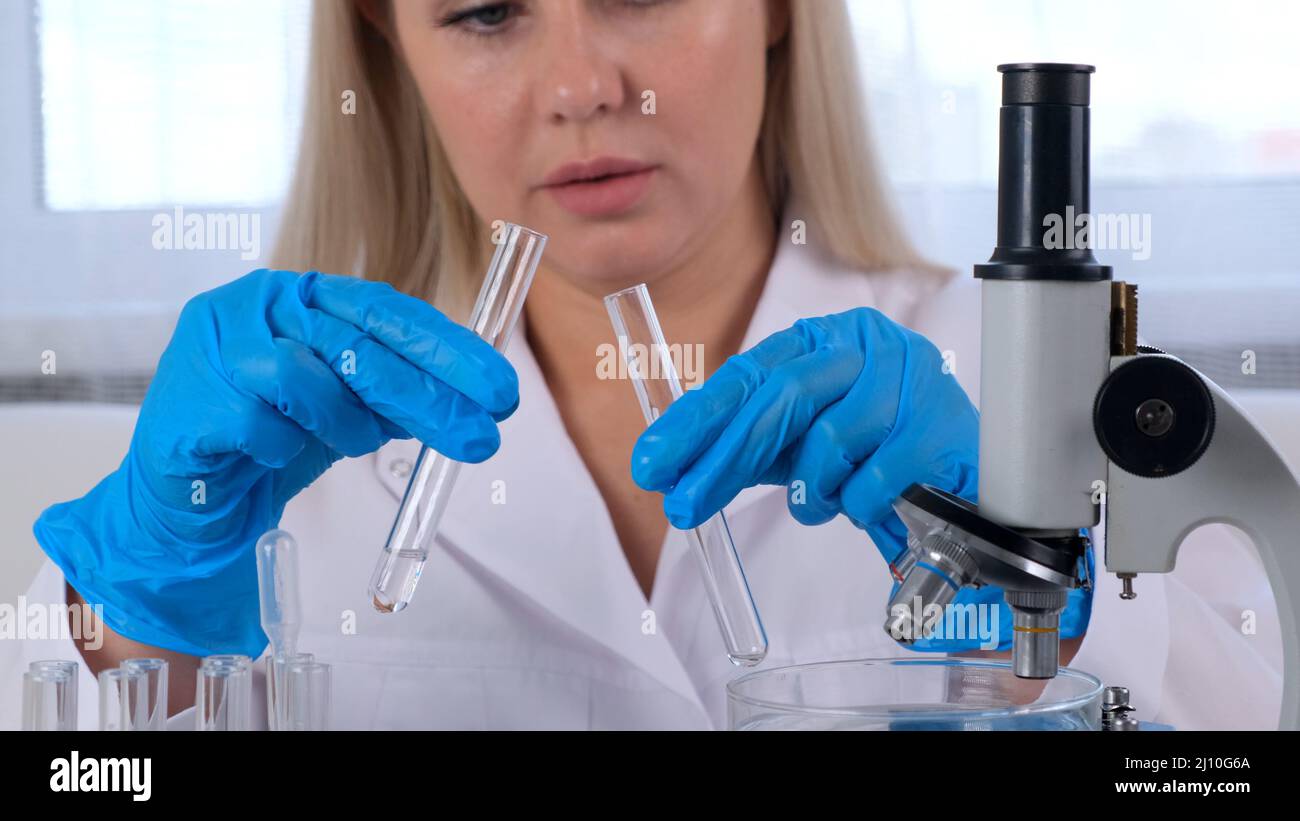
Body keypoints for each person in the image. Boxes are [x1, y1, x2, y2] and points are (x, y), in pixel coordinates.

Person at [23, 0, 1281, 729]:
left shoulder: (1040, 395)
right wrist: (139, 630)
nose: (580, 83)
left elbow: (1225, 745)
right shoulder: (275, 450)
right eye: (482, 8)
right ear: (384, 45)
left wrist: (1053, 606)